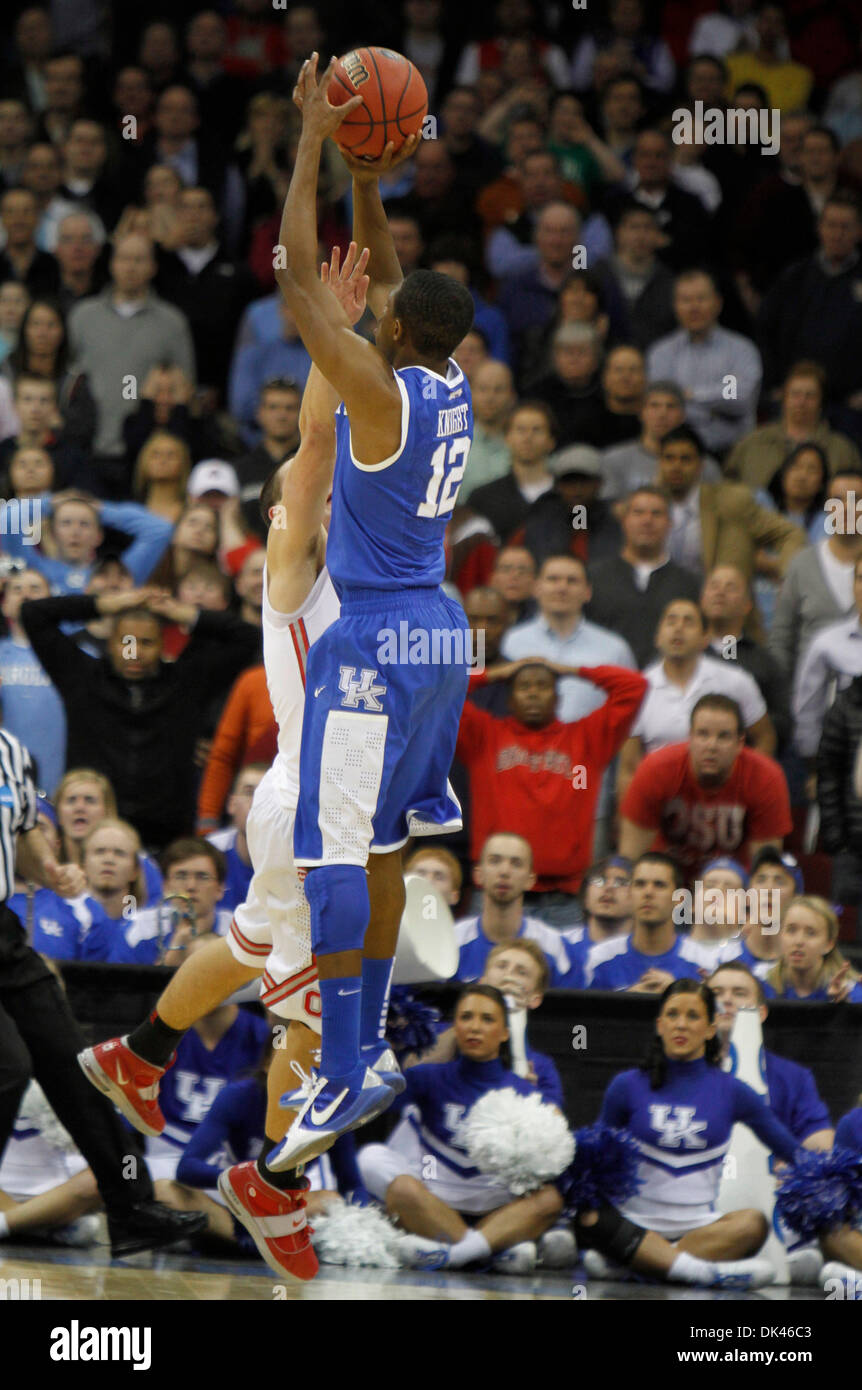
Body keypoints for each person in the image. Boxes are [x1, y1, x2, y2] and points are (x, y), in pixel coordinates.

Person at [79, 242, 406, 1283]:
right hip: (314, 807)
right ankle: (275, 1183)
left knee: (257, 942)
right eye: (319, 489)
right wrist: (334, 327)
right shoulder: (294, 559)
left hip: (304, 800)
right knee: (316, 1005)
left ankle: (138, 1052)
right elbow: (320, 434)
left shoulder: (357, 575)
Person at [268, 57, 479, 1167]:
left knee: (332, 854)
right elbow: (387, 277)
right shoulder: (452, 381)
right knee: (389, 843)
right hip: (442, 632)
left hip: (375, 639)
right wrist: (366, 178)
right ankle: (370, 1049)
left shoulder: (375, 390)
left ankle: (343, 1069)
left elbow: (303, 284)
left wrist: (311, 140)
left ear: (394, 332)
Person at [0, 722, 207, 1257]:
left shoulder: (12, 752)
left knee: (76, 1060)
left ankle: (130, 1206)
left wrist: (49, 871)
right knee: (8, 1065)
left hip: (2, 931)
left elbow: (21, 837)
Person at [578, 978, 800, 1289]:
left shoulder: (734, 1091)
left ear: (711, 1029)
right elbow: (596, 1160)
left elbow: (793, 1152)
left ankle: (637, 1264)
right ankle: (699, 1273)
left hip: (700, 1228)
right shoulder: (626, 1085)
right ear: (659, 1024)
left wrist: (835, 1179)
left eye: (693, 1016)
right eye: (672, 1015)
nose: (681, 1025)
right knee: (589, 1215)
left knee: (752, 1224)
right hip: (634, 1222)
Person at [21, 584, 260, 848]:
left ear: (163, 645)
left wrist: (181, 613)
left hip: (167, 836)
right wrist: (106, 604)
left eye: (146, 642)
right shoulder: (81, 678)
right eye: (126, 642)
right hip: (92, 833)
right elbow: (33, 613)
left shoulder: (188, 683)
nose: (134, 652)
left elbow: (248, 636)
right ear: (110, 643)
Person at [358, 984, 564, 1274]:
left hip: (496, 1206)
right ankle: (491, 1251)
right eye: (466, 1017)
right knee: (373, 1161)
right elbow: (370, 1105)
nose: (475, 1027)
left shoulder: (524, 1092)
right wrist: (380, 1051)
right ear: (454, 1026)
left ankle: (453, 1253)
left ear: (505, 1033)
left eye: (487, 1019)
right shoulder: (427, 1076)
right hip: (431, 1200)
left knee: (552, 1197)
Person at [456, 659, 647, 921]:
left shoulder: (587, 739)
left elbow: (634, 686)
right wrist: (497, 673)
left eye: (543, 685)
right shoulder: (483, 736)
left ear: (558, 698)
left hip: (564, 898)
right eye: (523, 686)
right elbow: (441, 690)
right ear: (509, 700)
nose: (533, 692)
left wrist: (571, 669)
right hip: (495, 893)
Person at [67, 231, 196, 494]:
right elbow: (67, 383)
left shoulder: (171, 322)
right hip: (87, 448)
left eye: (139, 259)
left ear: (153, 267)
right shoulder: (82, 316)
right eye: (124, 258)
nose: (130, 267)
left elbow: (185, 388)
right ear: (112, 263)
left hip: (146, 455)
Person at [618, 599, 773, 803]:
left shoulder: (736, 681)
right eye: (671, 622)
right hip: (660, 802)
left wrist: (749, 787)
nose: (679, 629)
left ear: (704, 638)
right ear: (657, 637)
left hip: (724, 800)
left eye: (688, 622)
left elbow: (765, 736)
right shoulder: (636, 691)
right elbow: (629, 766)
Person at [619, 694, 793, 876]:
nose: (712, 746)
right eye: (703, 734)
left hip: (733, 886)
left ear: (739, 743)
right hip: (664, 883)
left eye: (723, 737)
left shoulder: (765, 778)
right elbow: (630, 860)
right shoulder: (656, 770)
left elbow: (765, 874)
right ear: (690, 738)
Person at [656, 424, 806, 586]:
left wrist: (788, 579)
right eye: (669, 458)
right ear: (659, 463)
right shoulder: (644, 506)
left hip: (717, 606)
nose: (676, 466)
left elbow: (790, 534)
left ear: (701, 466)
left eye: (685, 459)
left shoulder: (731, 502)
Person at [708, 963, 834, 1151]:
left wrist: (796, 1165)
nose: (726, 1000)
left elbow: (820, 1139)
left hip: (768, 1177)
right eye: (716, 993)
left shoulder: (794, 1077)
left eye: (739, 993)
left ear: (761, 1013)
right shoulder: (681, 1070)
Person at [585, 486, 701, 667]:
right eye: (638, 513)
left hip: (671, 685)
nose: (647, 520)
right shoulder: (592, 577)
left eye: (656, 514)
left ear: (670, 523)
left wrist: (729, 656)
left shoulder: (690, 583)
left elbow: (721, 636)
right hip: (606, 683)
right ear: (624, 520)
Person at [769, 470, 862, 682]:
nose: (846, 508)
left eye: (856, 499)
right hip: (809, 698)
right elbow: (781, 638)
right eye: (837, 500)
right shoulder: (802, 565)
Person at [455, 832, 577, 985]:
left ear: (530, 880)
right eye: (495, 861)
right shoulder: (453, 942)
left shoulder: (554, 947)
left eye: (516, 863)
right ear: (478, 874)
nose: (504, 871)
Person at [586, 852, 717, 992]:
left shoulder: (703, 962)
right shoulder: (600, 958)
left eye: (659, 885)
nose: (648, 892)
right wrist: (627, 999)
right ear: (630, 894)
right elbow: (586, 1013)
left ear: (679, 900)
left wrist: (676, 993)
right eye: (640, 884)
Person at [725, 360, 861, 491]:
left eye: (810, 395)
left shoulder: (843, 451)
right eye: (795, 394)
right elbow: (727, 489)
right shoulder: (751, 444)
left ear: (821, 402)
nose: (801, 401)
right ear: (783, 398)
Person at [700, 565, 790, 756]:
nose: (720, 592)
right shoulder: (687, 656)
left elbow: (783, 723)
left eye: (730, 587)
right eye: (714, 586)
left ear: (747, 605)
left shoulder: (763, 662)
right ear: (702, 599)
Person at [600, 380, 722, 503]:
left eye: (671, 407)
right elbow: (608, 511)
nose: (662, 414)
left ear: (683, 415)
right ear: (641, 412)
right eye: (654, 406)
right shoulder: (614, 460)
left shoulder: (704, 466)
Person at [0, 566, 65, 795]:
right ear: (5, 605)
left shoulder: (73, 654)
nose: (26, 594)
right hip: (7, 784)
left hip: (60, 784)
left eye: (35, 588)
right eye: (17, 589)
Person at [793, 556, 862, 763]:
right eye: (860, 579)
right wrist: (815, 766)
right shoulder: (828, 643)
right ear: (853, 586)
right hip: (841, 755)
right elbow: (808, 710)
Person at [817, 671, 862, 917]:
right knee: (846, 943)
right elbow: (828, 774)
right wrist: (837, 839)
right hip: (853, 850)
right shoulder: (848, 704)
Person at [762, 896, 862, 1003]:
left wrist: (843, 1005)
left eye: (811, 933)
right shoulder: (760, 982)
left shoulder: (848, 989)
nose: (798, 941)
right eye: (791, 930)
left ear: (829, 944)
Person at [206, 764, 267, 913]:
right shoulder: (209, 853)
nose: (257, 801)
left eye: (266, 793)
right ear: (232, 804)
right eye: (249, 792)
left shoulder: (295, 858)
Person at [560, 855, 633, 978]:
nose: (608, 888)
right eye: (600, 880)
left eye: (621, 882)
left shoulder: (648, 952)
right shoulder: (560, 947)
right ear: (585, 896)